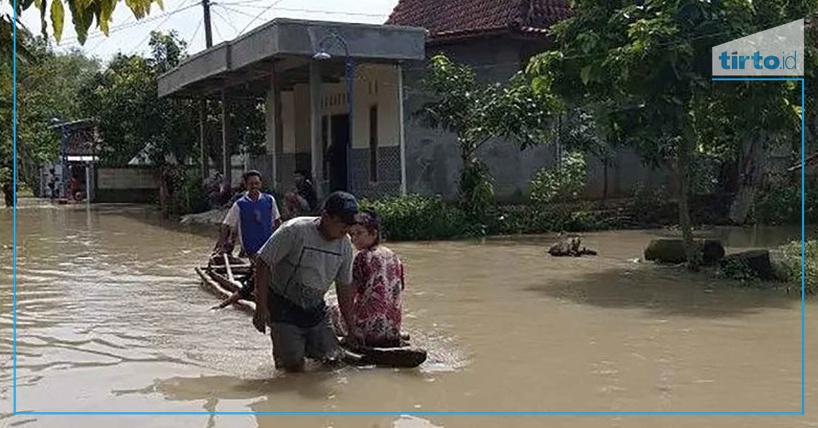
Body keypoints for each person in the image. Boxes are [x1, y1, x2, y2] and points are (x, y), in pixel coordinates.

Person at [252, 191, 359, 373]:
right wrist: (261, 308)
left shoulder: (345, 246)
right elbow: (263, 262)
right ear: (325, 216)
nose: (346, 229)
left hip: (315, 307)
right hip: (283, 305)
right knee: (293, 367)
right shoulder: (295, 230)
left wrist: (351, 328)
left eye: (350, 224)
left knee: (333, 361)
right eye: (342, 223)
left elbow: (344, 288)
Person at [329, 209, 406, 348]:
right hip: (392, 329)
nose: (354, 239)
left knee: (333, 307)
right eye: (351, 234)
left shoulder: (363, 257)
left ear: (373, 233)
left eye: (359, 233)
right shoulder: (393, 256)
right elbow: (400, 288)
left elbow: (349, 294)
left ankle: (349, 336)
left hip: (368, 331)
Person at [210, 171, 282, 309]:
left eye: (256, 183)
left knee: (269, 271)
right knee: (262, 271)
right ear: (246, 185)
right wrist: (221, 245)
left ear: (260, 184)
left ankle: (259, 288)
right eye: (251, 184)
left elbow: (277, 222)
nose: (254, 186)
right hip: (251, 246)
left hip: (268, 244)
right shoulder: (240, 204)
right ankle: (257, 293)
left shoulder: (269, 200)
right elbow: (226, 225)